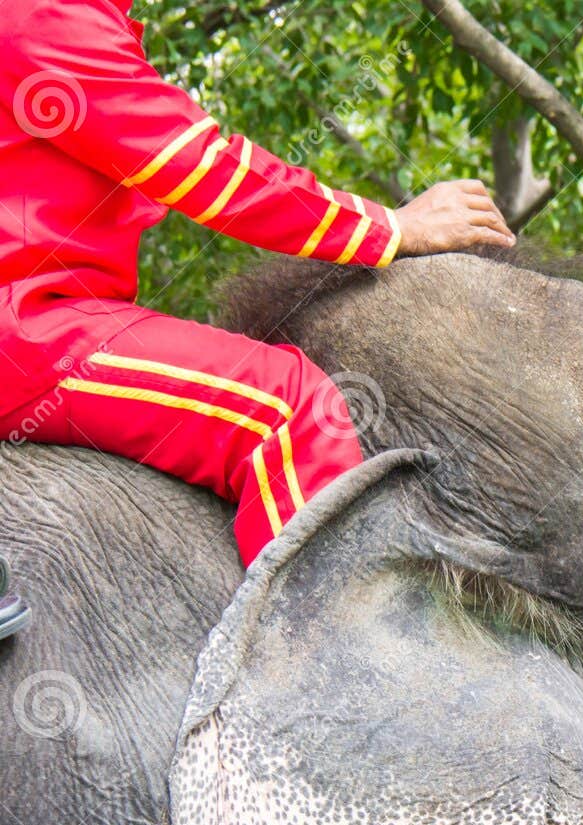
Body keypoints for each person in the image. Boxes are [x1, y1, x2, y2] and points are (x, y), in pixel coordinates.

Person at [0, 0, 516, 641]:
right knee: (292, 409)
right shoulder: (43, 17)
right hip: (27, 332)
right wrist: (393, 227)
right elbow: (200, 169)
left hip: (49, 317)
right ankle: (316, 692)